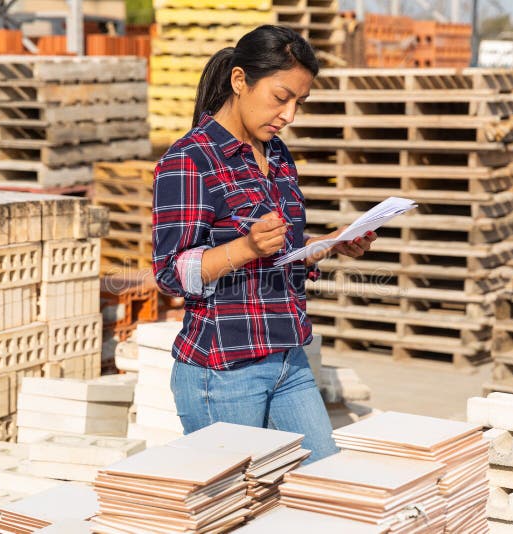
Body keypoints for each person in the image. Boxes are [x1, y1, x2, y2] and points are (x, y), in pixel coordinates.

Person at [151, 25, 377, 462]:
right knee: (240, 513)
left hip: (288, 358)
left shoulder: (277, 155)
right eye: (281, 97)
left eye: (300, 102)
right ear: (240, 81)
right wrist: (246, 248)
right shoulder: (189, 161)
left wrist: (328, 244)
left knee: (323, 484)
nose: (290, 114)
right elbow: (169, 272)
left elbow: (281, 249)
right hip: (224, 372)